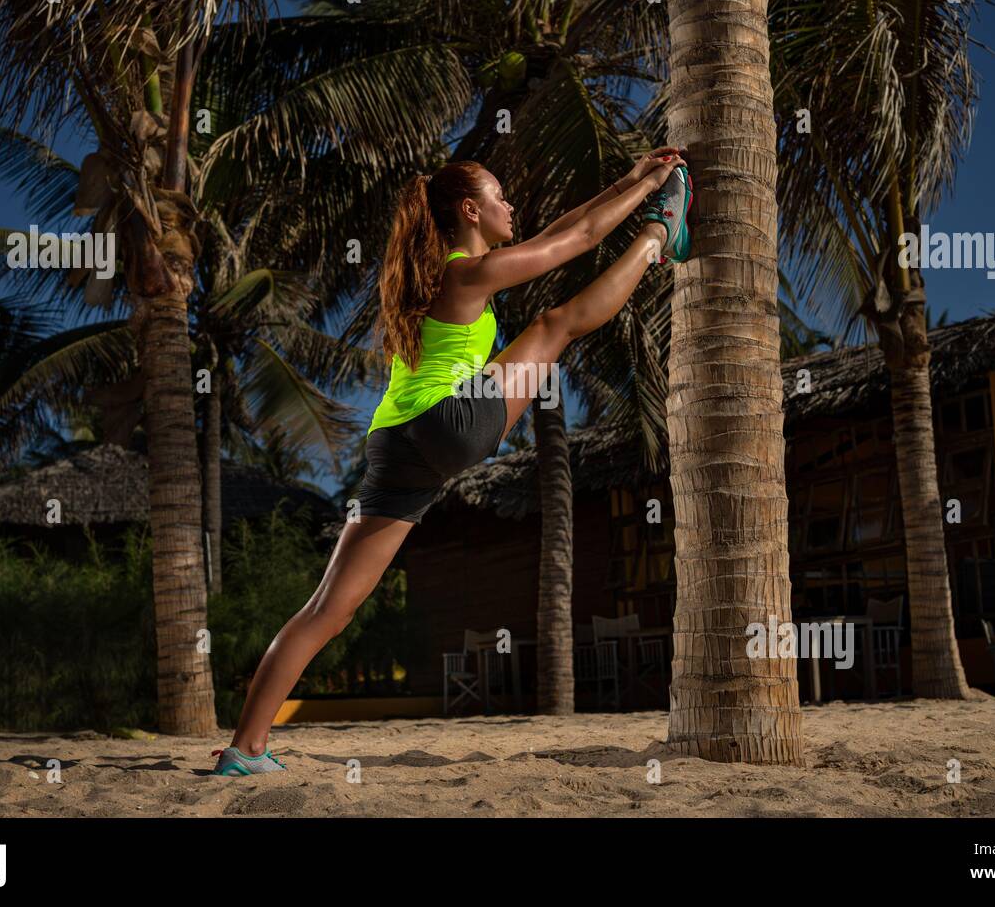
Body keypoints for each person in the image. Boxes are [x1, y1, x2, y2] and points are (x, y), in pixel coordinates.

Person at [212, 149, 692, 775]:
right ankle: (663, 232)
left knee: (328, 609)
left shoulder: (445, 276)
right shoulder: (466, 273)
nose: (510, 205)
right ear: (471, 211)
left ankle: (244, 750)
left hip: (393, 441)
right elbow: (576, 238)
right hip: (449, 425)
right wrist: (653, 192)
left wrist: (625, 181)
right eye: (499, 195)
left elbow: (556, 234)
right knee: (555, 326)